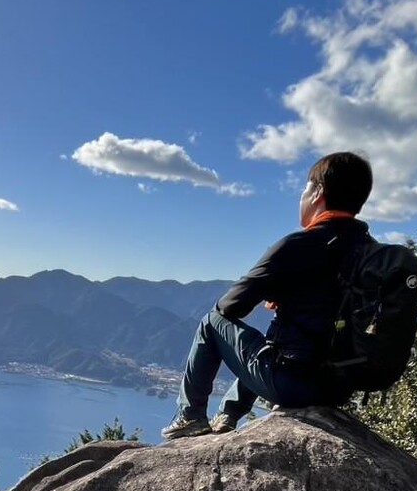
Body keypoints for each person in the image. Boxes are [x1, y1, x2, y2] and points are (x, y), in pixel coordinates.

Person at [160, 151, 373, 440]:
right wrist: (289, 294)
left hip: (291, 384)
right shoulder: (372, 253)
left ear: (318, 192)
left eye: (305, 189)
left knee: (211, 323)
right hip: (340, 388)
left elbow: (229, 307)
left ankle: (190, 416)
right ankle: (228, 414)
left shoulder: (299, 245)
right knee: (275, 338)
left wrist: (270, 286)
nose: (302, 197)